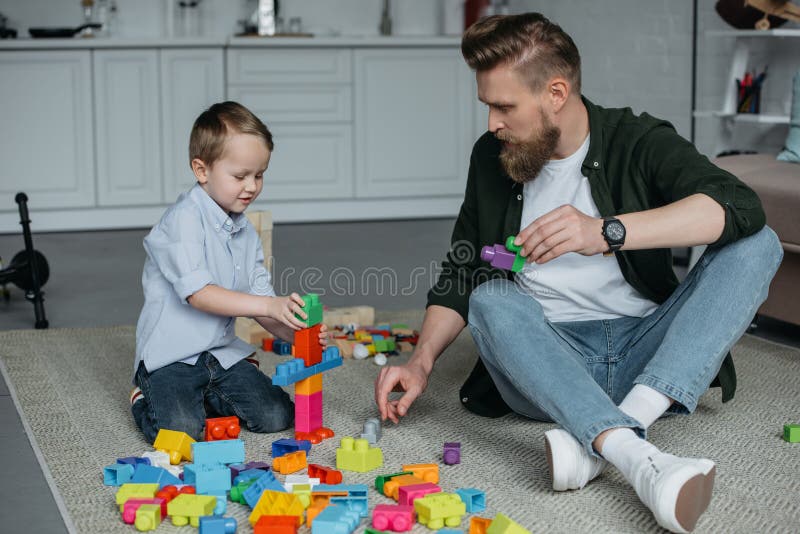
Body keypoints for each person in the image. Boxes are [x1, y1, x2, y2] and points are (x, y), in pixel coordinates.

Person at [374, 13, 782, 533]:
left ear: (556, 93)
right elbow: (463, 267)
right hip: (546, 360)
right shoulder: (492, 157)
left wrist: (606, 231)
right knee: (490, 300)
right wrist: (421, 361)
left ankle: (613, 438)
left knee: (757, 244)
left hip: (647, 350)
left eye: (504, 106)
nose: (492, 123)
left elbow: (738, 206)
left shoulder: (637, 140)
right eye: (489, 107)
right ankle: (638, 451)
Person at [131, 101, 326, 443]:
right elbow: (199, 294)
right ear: (202, 170)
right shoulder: (183, 220)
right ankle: (144, 397)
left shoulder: (245, 231)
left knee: (277, 415)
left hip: (220, 354)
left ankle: (210, 396)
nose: (251, 186)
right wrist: (267, 306)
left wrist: (298, 337)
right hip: (171, 358)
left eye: (259, 175)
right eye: (240, 176)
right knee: (181, 432)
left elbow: (262, 298)